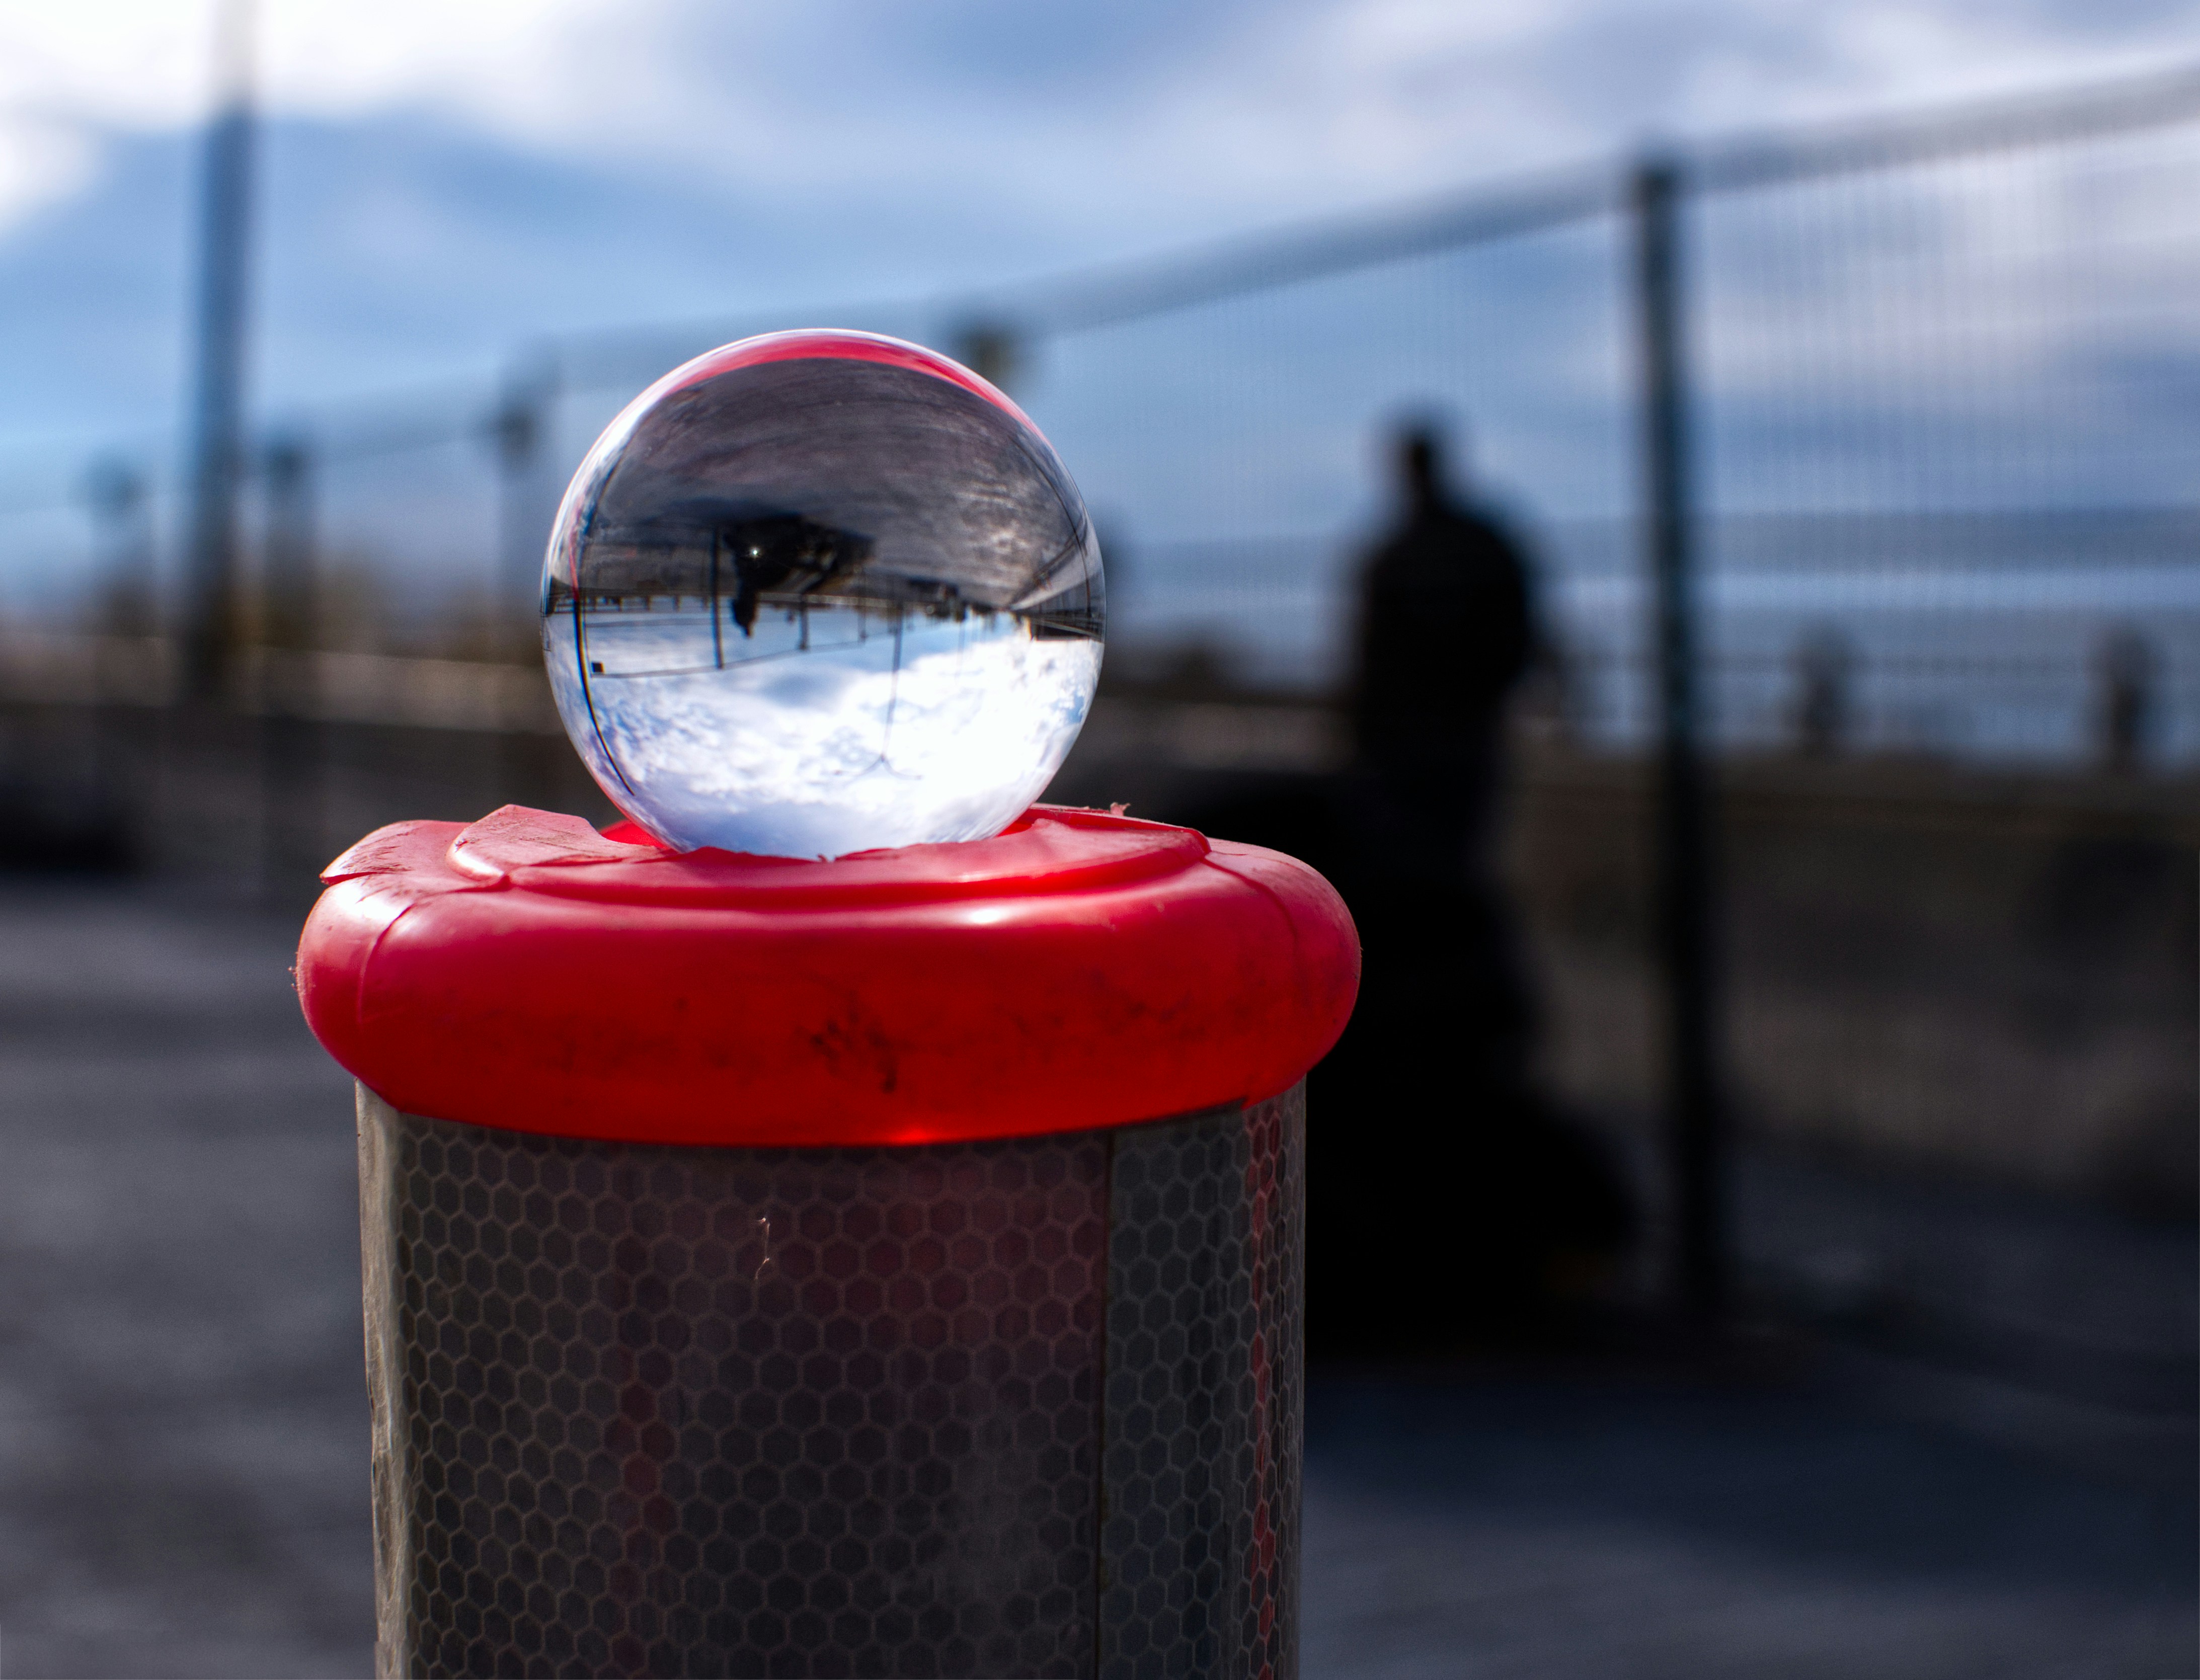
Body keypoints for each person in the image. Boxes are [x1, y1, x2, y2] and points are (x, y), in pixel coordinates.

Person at [1307, 422, 1633, 1351]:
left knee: (1430, 898)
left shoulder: (1410, 550)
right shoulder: (1449, 546)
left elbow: (1372, 657)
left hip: (1428, 755)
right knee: (1431, 895)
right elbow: (1509, 632)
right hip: (1439, 753)